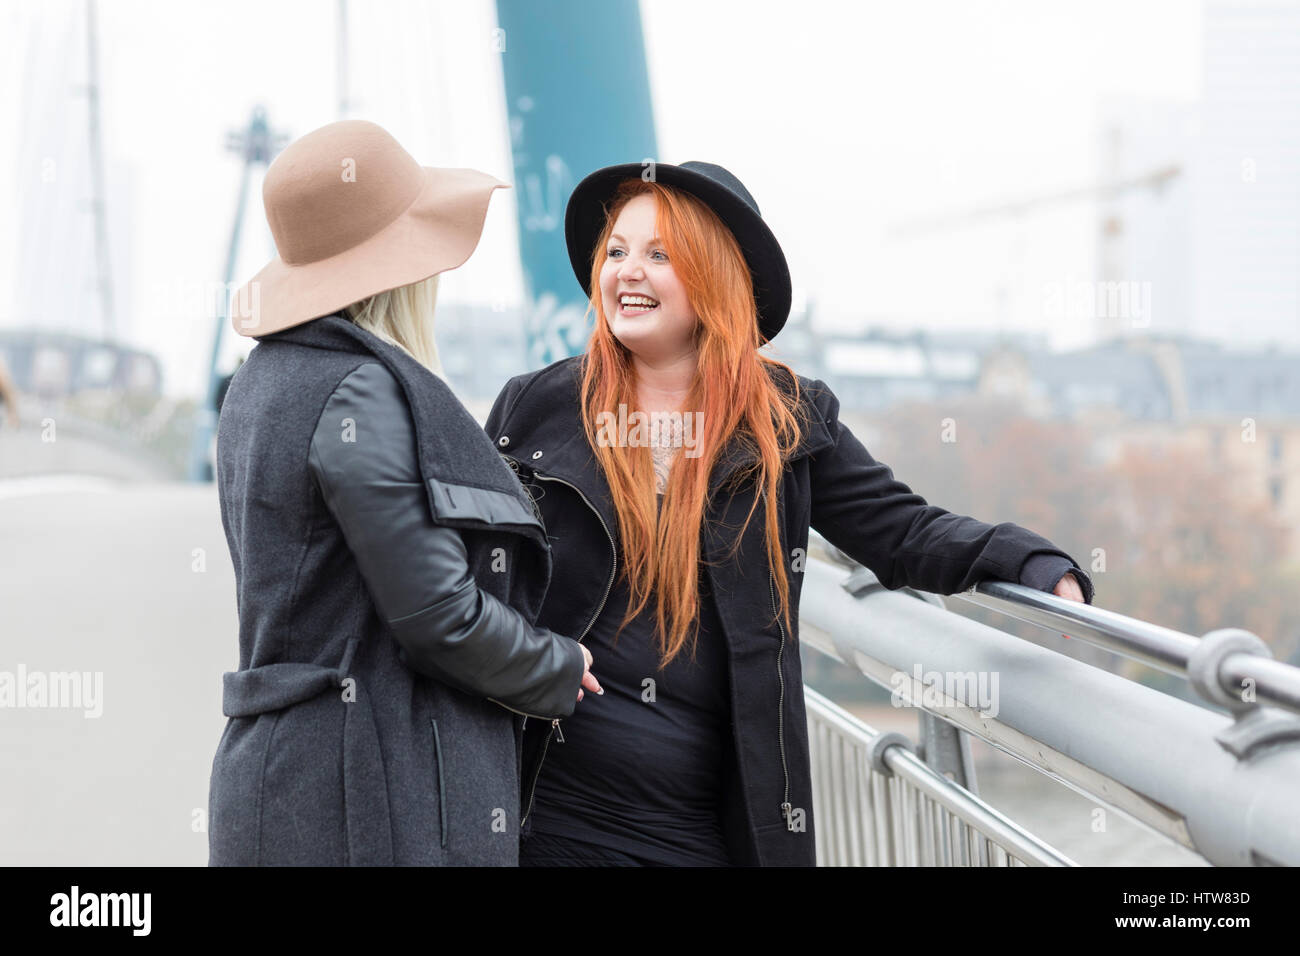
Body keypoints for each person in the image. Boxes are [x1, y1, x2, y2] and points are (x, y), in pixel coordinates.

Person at [486, 161, 1094, 867]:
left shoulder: (789, 421)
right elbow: (468, 576)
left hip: (708, 823)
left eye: (659, 255)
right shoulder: (534, 407)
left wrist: (1028, 560)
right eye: (616, 252)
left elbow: (901, 533)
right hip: (545, 807)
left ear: (716, 278)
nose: (627, 271)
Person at [207, 119, 599, 866]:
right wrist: (557, 664)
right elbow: (436, 614)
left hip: (278, 778)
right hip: (362, 798)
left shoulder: (261, 381)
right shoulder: (361, 392)